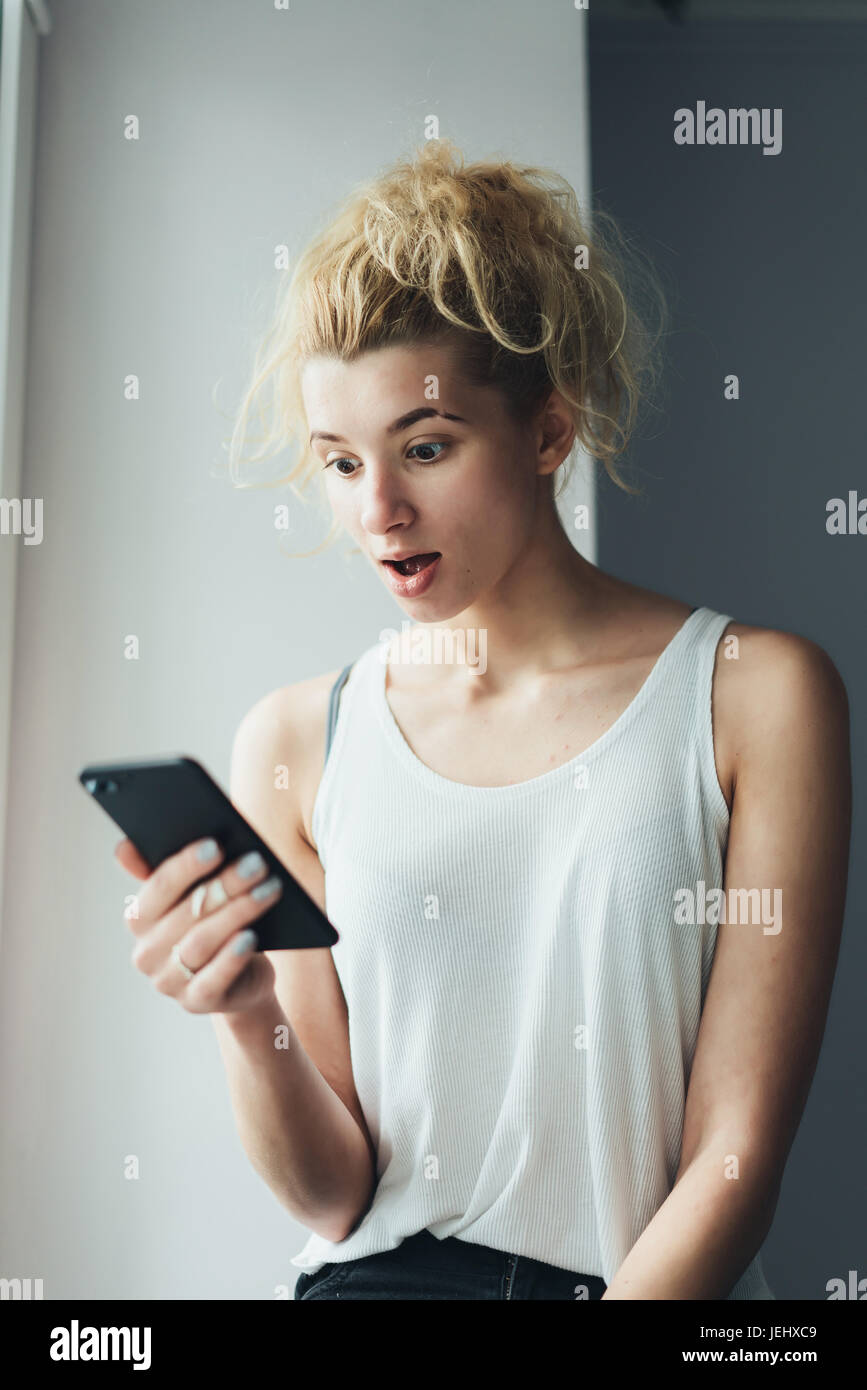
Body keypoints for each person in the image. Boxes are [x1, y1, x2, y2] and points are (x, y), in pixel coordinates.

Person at [116, 140, 851, 1301]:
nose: (379, 511)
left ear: (549, 433)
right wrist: (244, 1007)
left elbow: (732, 1156)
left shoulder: (756, 694)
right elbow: (335, 1194)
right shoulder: (299, 743)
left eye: (424, 448)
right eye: (341, 461)